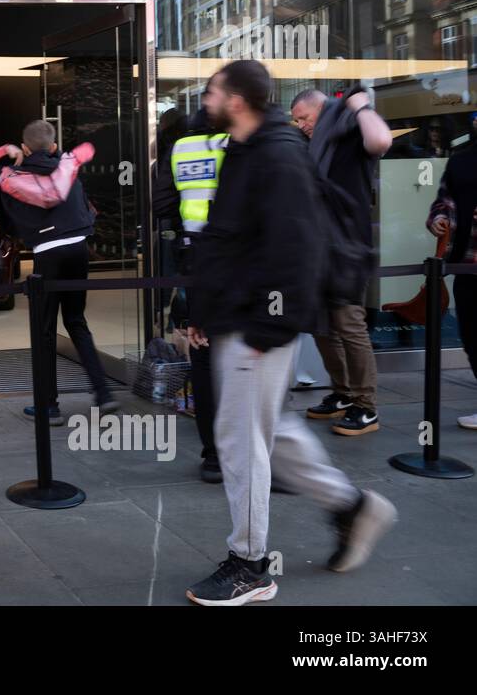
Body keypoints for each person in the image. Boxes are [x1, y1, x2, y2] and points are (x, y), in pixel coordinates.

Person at [185, 59, 396, 606]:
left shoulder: (278, 156)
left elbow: (296, 248)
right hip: (239, 315)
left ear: (236, 99)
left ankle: (250, 564)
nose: (204, 100)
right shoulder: (246, 149)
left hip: (256, 323)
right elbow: (228, 239)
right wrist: (201, 308)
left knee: (240, 440)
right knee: (271, 435)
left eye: (211, 92)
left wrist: (267, 325)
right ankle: (354, 508)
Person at [0, 120, 113, 425]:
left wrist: (2, 151)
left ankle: (48, 406)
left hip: (47, 252)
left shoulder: (13, 174)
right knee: (76, 320)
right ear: (53, 146)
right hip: (78, 247)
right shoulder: (67, 169)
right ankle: (103, 393)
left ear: (24, 148)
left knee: (45, 329)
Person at [291, 87, 393, 436]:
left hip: (349, 245)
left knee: (349, 325)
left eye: (305, 117)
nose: (301, 125)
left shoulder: (351, 133)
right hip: (316, 248)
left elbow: (381, 141)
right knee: (322, 327)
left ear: (323, 110)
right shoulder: (314, 148)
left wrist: (361, 105)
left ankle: (366, 407)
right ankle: (344, 393)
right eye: (297, 120)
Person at [151, 72, 229, 483]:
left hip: (193, 258)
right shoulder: (234, 145)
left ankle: (212, 456)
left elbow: (160, 200)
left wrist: (185, 210)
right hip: (233, 258)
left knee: (201, 353)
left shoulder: (180, 148)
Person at [426, 112, 477, 430]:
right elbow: (442, 200)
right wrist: (439, 219)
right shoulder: (460, 160)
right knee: (472, 334)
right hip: (465, 261)